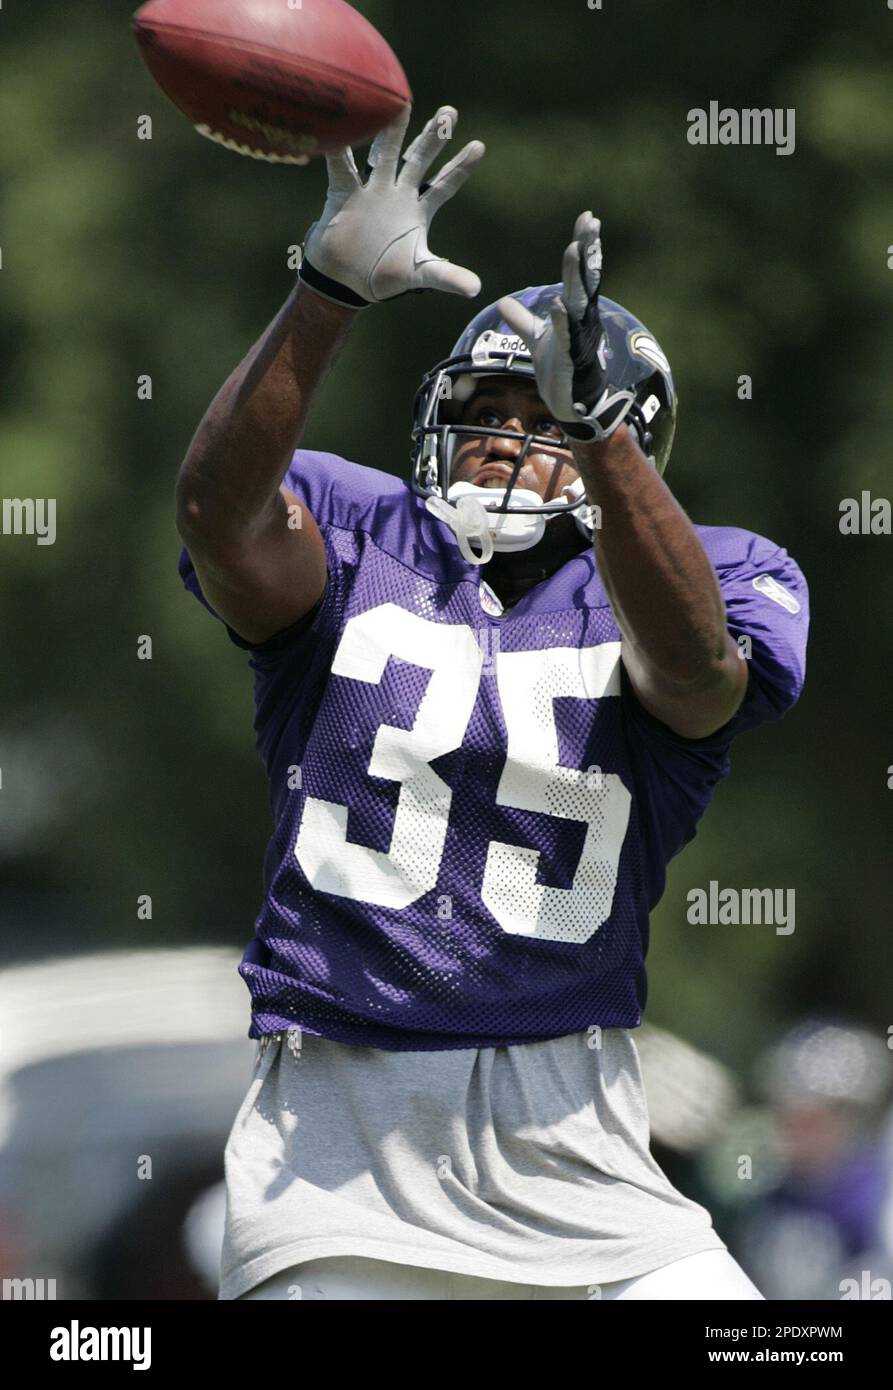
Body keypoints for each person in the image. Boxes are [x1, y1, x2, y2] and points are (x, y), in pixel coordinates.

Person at [176, 105, 808, 1300]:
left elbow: (692, 675)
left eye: (548, 425)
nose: (512, 447)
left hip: (583, 1145)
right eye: (490, 417)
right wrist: (321, 293)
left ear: (630, 449)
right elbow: (223, 520)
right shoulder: (358, 531)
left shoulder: (712, 571)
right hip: (340, 1154)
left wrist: (601, 443)